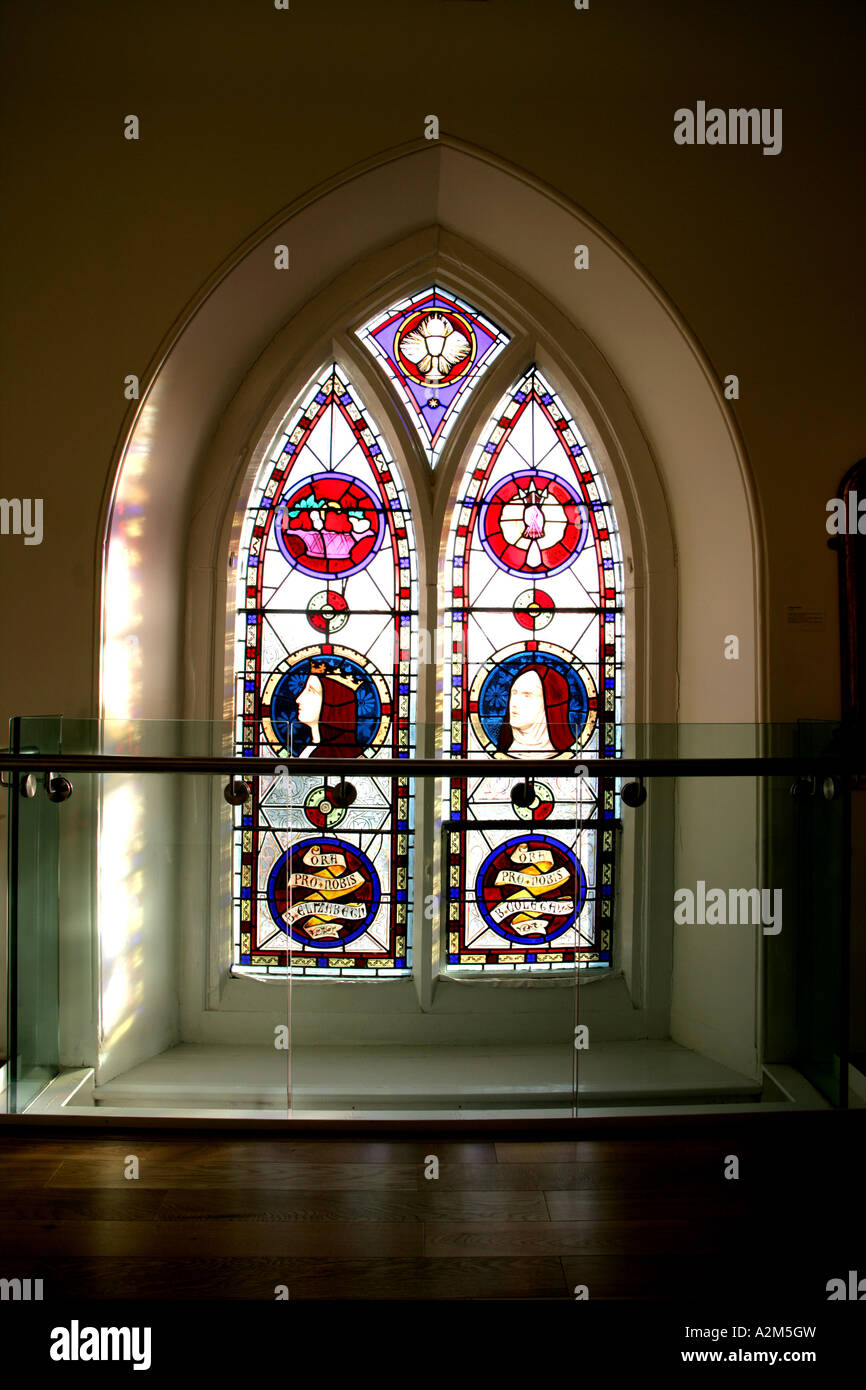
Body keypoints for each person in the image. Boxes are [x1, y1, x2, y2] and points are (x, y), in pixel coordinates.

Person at [496, 663, 574, 756]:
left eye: (527, 695)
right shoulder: (501, 753)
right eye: (514, 693)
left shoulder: (567, 756)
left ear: (548, 704)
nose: (514, 704)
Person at [294, 664, 364, 758]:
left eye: (310, 690)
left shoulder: (341, 754)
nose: (298, 699)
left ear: (332, 702)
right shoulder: (311, 748)